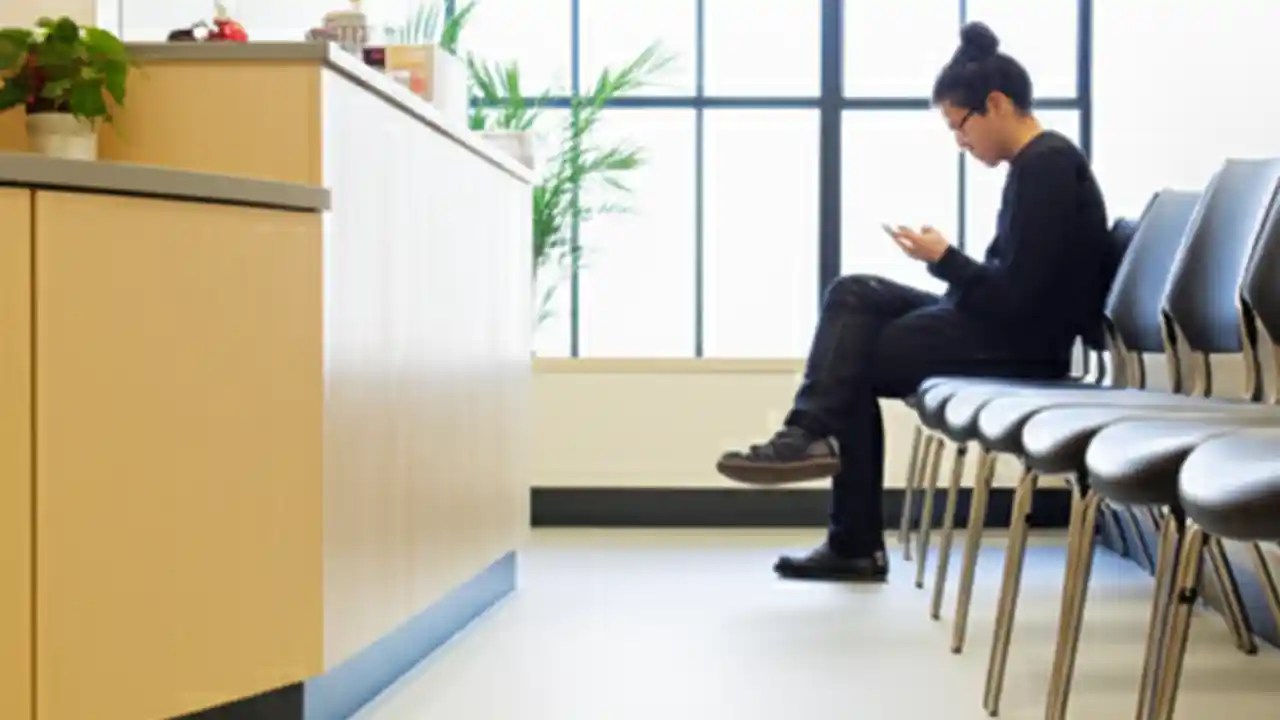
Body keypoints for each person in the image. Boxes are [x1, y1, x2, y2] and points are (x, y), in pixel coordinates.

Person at [715, 22, 1110, 582]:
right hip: (999, 328)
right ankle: (806, 439)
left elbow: (1018, 299)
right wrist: (945, 263)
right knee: (853, 294)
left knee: (850, 359)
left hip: (1021, 346)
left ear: (995, 105)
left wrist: (945, 257)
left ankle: (833, 499)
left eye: (960, 126)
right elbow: (1011, 285)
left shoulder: (1045, 168)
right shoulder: (1037, 166)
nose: (960, 142)